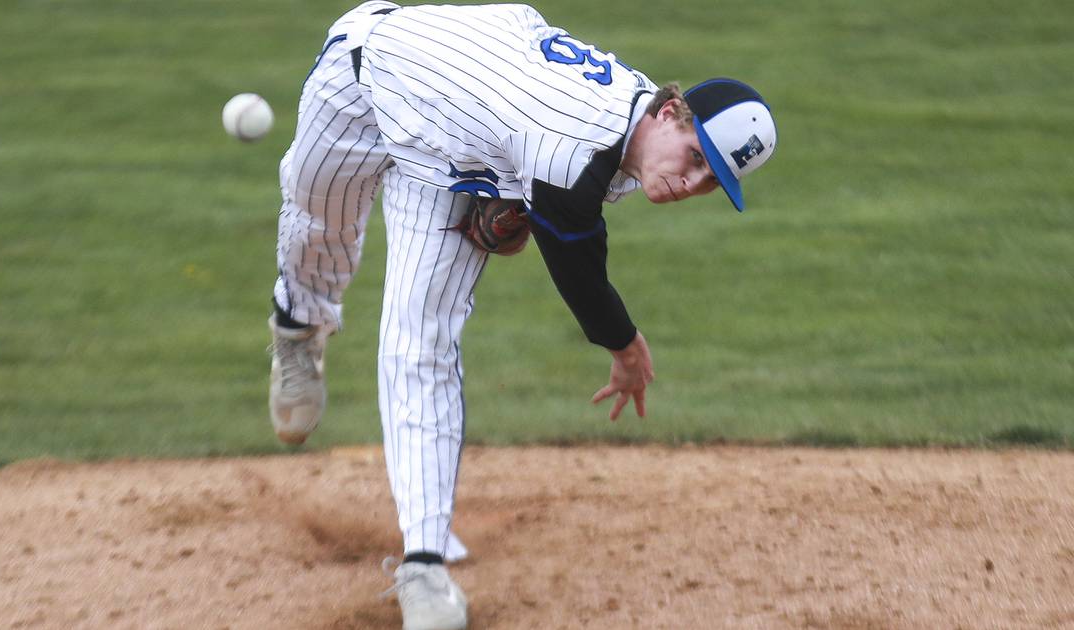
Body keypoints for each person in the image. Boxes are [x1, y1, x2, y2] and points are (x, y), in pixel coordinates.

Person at [266, 3, 777, 628]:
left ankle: (423, 565)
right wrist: (625, 345)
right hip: (366, 78)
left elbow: (545, 176)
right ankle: (298, 327)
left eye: (711, 182)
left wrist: (510, 193)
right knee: (322, 225)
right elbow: (577, 264)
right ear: (670, 112)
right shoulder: (580, 140)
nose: (690, 181)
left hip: (453, 164)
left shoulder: (629, 129)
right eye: (697, 157)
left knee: (421, 339)